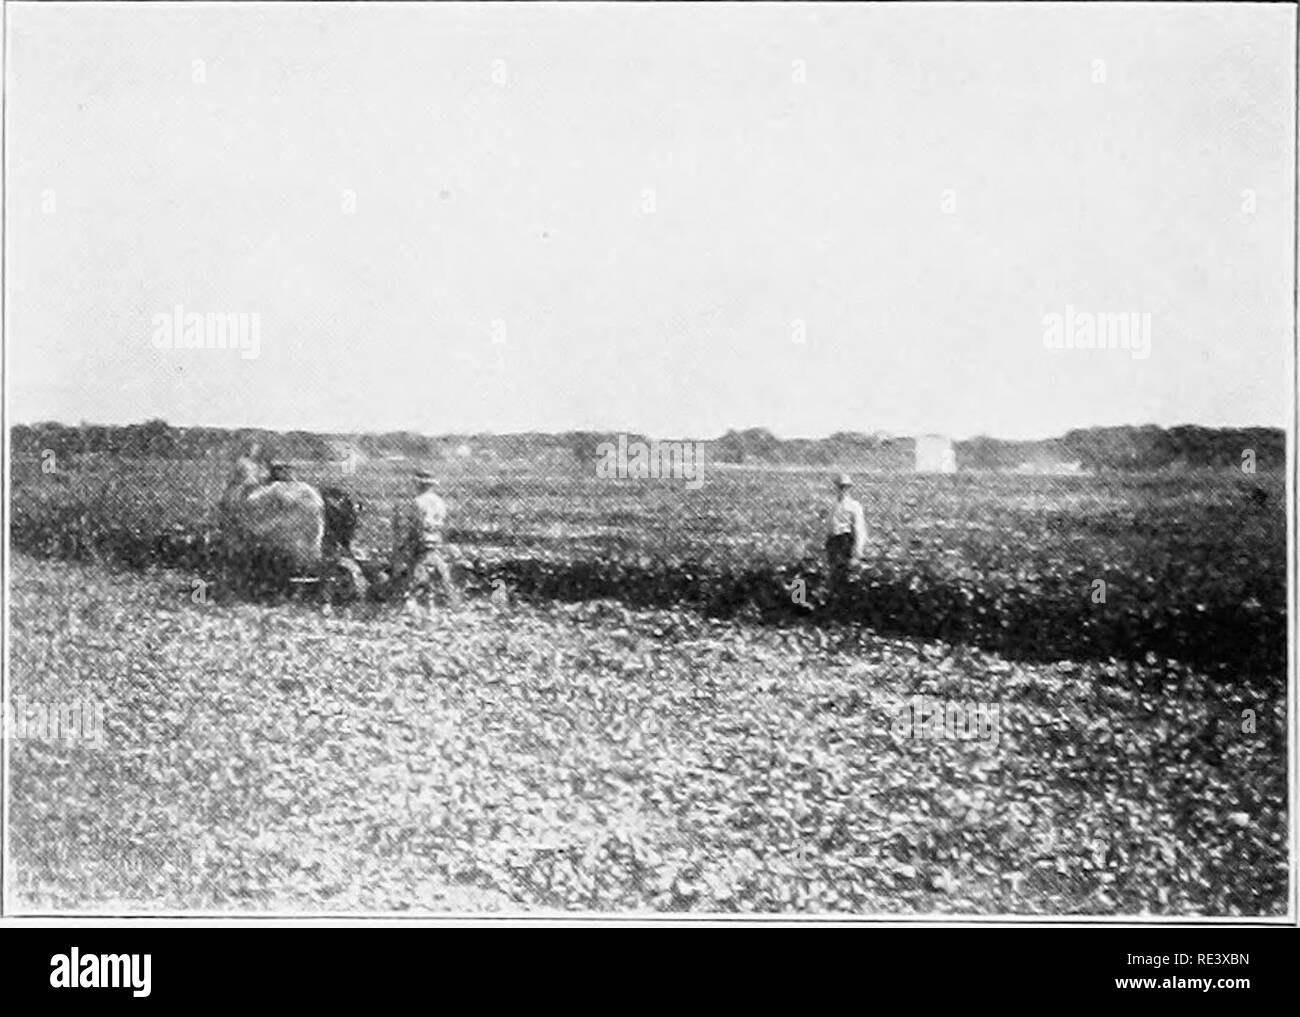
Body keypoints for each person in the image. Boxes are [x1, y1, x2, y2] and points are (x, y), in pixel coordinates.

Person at [390, 469, 458, 609]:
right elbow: (443, 525)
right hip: (437, 544)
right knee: (445, 581)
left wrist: (404, 546)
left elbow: (416, 527)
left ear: (418, 484)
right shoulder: (440, 502)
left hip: (422, 546)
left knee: (411, 583)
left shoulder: (417, 502)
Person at [825, 472, 866, 599]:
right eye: (840, 486)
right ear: (836, 487)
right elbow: (828, 525)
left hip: (845, 540)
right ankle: (834, 597)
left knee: (845, 573)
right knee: (833, 573)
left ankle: (845, 599)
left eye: (845, 487)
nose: (843, 489)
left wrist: (858, 549)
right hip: (833, 541)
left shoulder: (854, 506)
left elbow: (859, 527)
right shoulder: (832, 505)